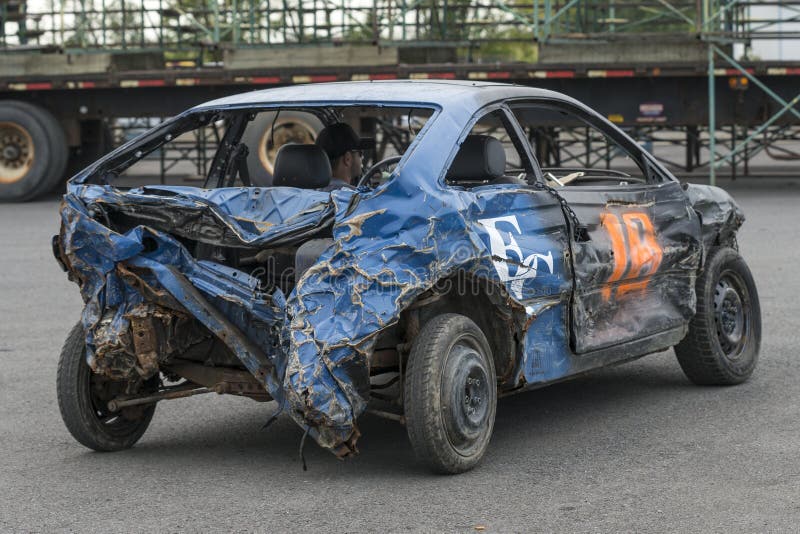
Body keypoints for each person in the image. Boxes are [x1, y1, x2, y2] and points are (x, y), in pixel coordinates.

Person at [315, 123, 372, 190]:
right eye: (360, 153)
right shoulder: (355, 195)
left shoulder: (311, 191)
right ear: (347, 159)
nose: (362, 157)